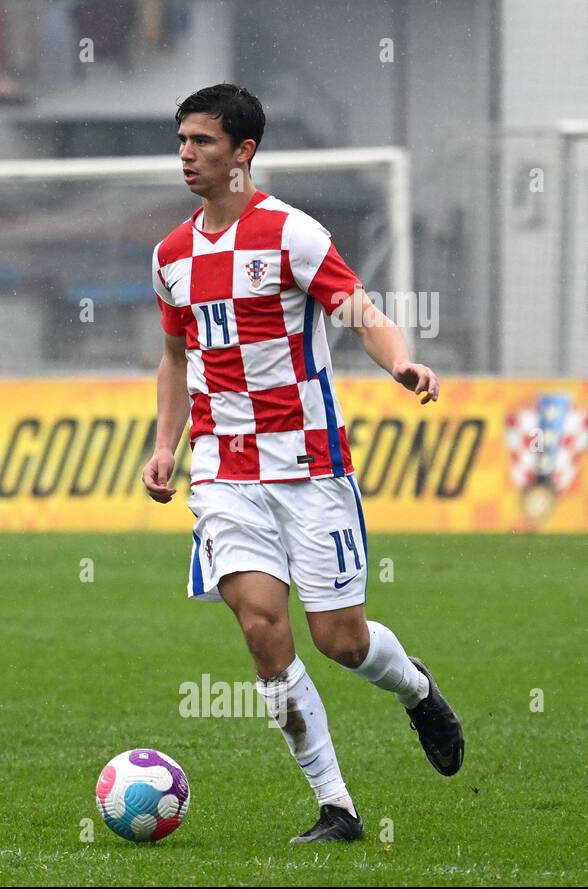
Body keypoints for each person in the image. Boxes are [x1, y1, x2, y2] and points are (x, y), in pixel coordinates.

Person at [143, 84, 463, 843]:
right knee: (261, 627)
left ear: (243, 152)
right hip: (224, 475)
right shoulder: (171, 257)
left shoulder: (292, 234)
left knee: (341, 642)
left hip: (310, 467)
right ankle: (336, 806)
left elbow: (361, 312)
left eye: (203, 142)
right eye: (182, 140)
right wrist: (166, 445)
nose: (187, 154)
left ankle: (415, 687)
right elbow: (174, 355)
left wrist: (402, 365)